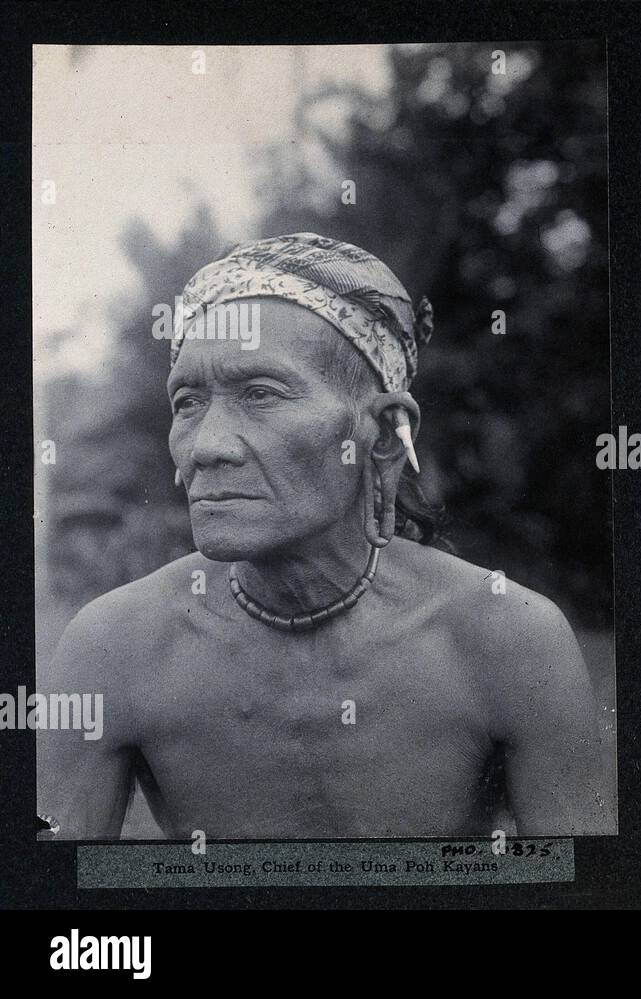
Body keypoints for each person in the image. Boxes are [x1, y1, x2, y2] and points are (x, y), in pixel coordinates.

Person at [39, 233, 609, 838]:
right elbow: (49, 904)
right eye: (188, 401)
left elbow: (583, 895)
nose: (205, 447)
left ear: (384, 435)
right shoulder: (112, 648)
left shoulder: (511, 642)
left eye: (260, 395)